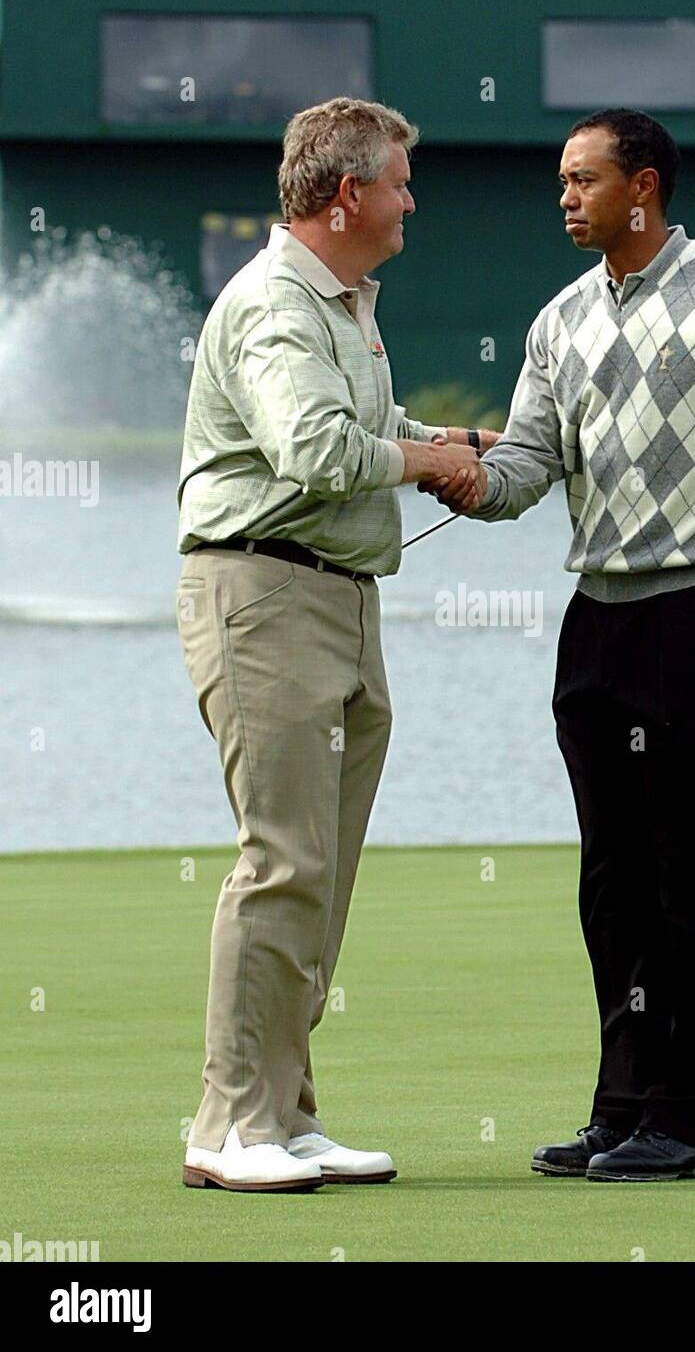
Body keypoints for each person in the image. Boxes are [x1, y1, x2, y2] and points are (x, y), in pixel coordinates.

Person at [428, 108, 695, 1182]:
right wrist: (456, 468)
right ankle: (622, 1106)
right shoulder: (559, 319)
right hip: (599, 622)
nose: (564, 196)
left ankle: (691, 1118)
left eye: (583, 179)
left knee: (694, 874)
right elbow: (526, 468)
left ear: (644, 188)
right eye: (562, 180)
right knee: (611, 878)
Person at [175, 97, 493, 1192]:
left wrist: (460, 447)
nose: (411, 201)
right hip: (264, 592)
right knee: (283, 863)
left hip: (339, 598)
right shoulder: (276, 300)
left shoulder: (348, 301)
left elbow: (377, 429)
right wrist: (429, 465)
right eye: (399, 182)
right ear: (346, 192)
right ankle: (229, 1129)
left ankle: (287, 1113)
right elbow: (313, 447)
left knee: (325, 871)